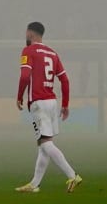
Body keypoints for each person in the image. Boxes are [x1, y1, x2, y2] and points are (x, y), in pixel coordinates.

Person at [15, 22, 83, 193]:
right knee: (43, 143)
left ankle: (72, 175)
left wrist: (19, 96)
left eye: (26, 34)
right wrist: (65, 104)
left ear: (30, 34)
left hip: (38, 103)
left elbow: (24, 76)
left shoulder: (28, 51)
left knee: (45, 144)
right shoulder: (53, 53)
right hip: (52, 102)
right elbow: (65, 80)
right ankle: (34, 184)